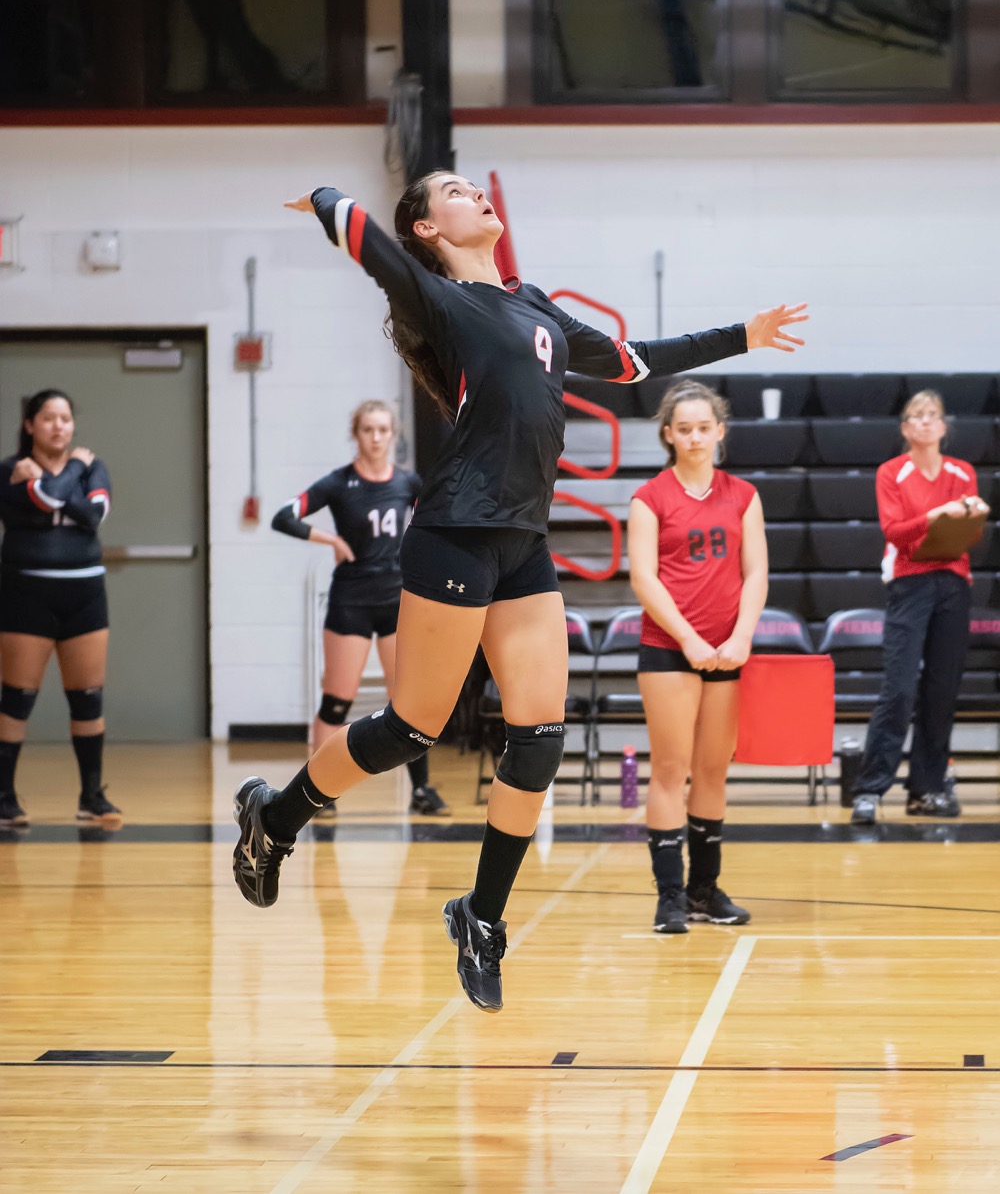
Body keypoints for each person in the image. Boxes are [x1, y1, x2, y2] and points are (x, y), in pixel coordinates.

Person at [232, 172, 807, 1011]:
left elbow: (633, 361)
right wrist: (324, 198)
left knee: (539, 737)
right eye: (456, 191)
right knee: (410, 727)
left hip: (523, 541)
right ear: (430, 228)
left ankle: (482, 916)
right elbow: (366, 242)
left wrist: (741, 336)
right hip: (457, 530)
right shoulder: (436, 297)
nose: (478, 194)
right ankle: (276, 820)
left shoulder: (533, 304)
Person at [628, 381, 768, 934]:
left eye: (703, 427)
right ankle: (669, 898)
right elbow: (644, 577)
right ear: (668, 434)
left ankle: (704, 892)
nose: (694, 436)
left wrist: (742, 637)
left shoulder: (744, 495)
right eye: (683, 428)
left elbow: (756, 572)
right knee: (670, 770)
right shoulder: (650, 497)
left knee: (712, 770)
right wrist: (688, 638)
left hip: (728, 648)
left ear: (719, 432)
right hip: (668, 648)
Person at [271, 398, 448, 816]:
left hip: (395, 601)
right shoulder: (338, 483)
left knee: (410, 700)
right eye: (368, 429)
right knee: (336, 700)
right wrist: (329, 540)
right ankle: (317, 793)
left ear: (393, 435)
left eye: (383, 430)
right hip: (351, 602)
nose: (375, 437)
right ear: (356, 434)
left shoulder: (408, 483)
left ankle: (420, 790)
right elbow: (283, 516)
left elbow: (440, 519)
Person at [851, 389, 990, 824]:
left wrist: (970, 513)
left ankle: (927, 789)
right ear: (906, 429)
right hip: (909, 584)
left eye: (933, 415)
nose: (926, 421)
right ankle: (870, 789)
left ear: (944, 427)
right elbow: (896, 533)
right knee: (899, 687)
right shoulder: (892, 472)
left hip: (953, 582)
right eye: (917, 416)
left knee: (941, 690)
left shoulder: (962, 471)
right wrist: (938, 515)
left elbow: (968, 529)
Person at [0, 389, 120, 827]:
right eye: (48, 418)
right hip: (26, 595)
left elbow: (92, 516)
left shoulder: (94, 466)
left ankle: (91, 797)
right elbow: (50, 501)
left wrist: (52, 480)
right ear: (29, 425)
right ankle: (4, 797)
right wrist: (72, 471)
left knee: (88, 698)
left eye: (65, 418)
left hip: (85, 595)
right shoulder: (8, 471)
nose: (58, 426)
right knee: (16, 699)